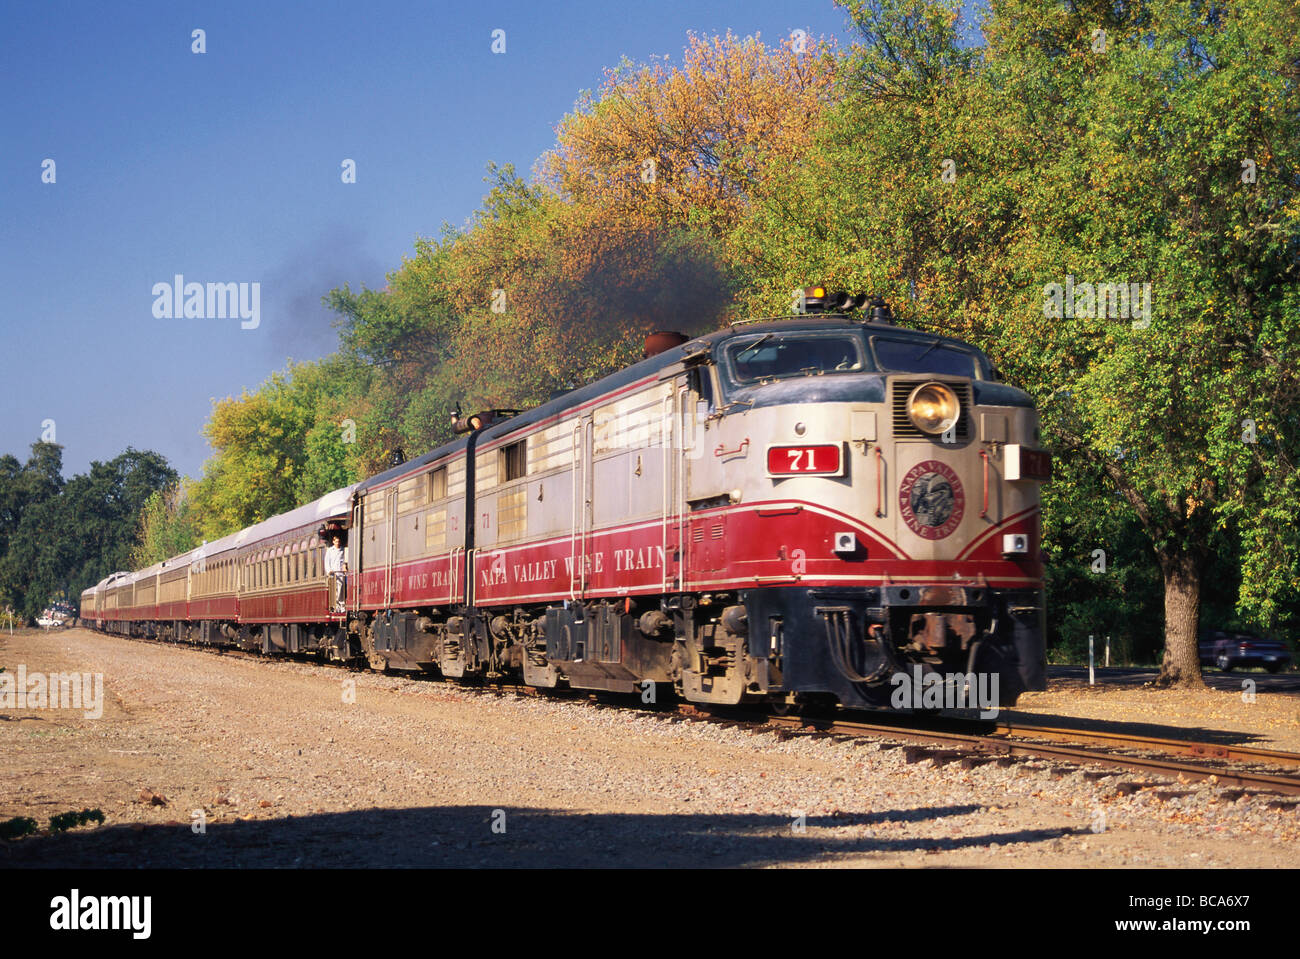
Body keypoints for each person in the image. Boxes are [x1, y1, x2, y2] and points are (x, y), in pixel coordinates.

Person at [325, 535, 347, 613]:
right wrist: (329, 570)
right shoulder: (330, 550)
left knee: (341, 590)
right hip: (333, 573)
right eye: (336, 541)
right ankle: (336, 606)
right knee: (335, 590)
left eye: (338, 541)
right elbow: (327, 561)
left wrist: (344, 568)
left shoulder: (342, 550)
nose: (337, 543)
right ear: (333, 542)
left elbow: (344, 561)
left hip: (340, 573)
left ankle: (342, 605)